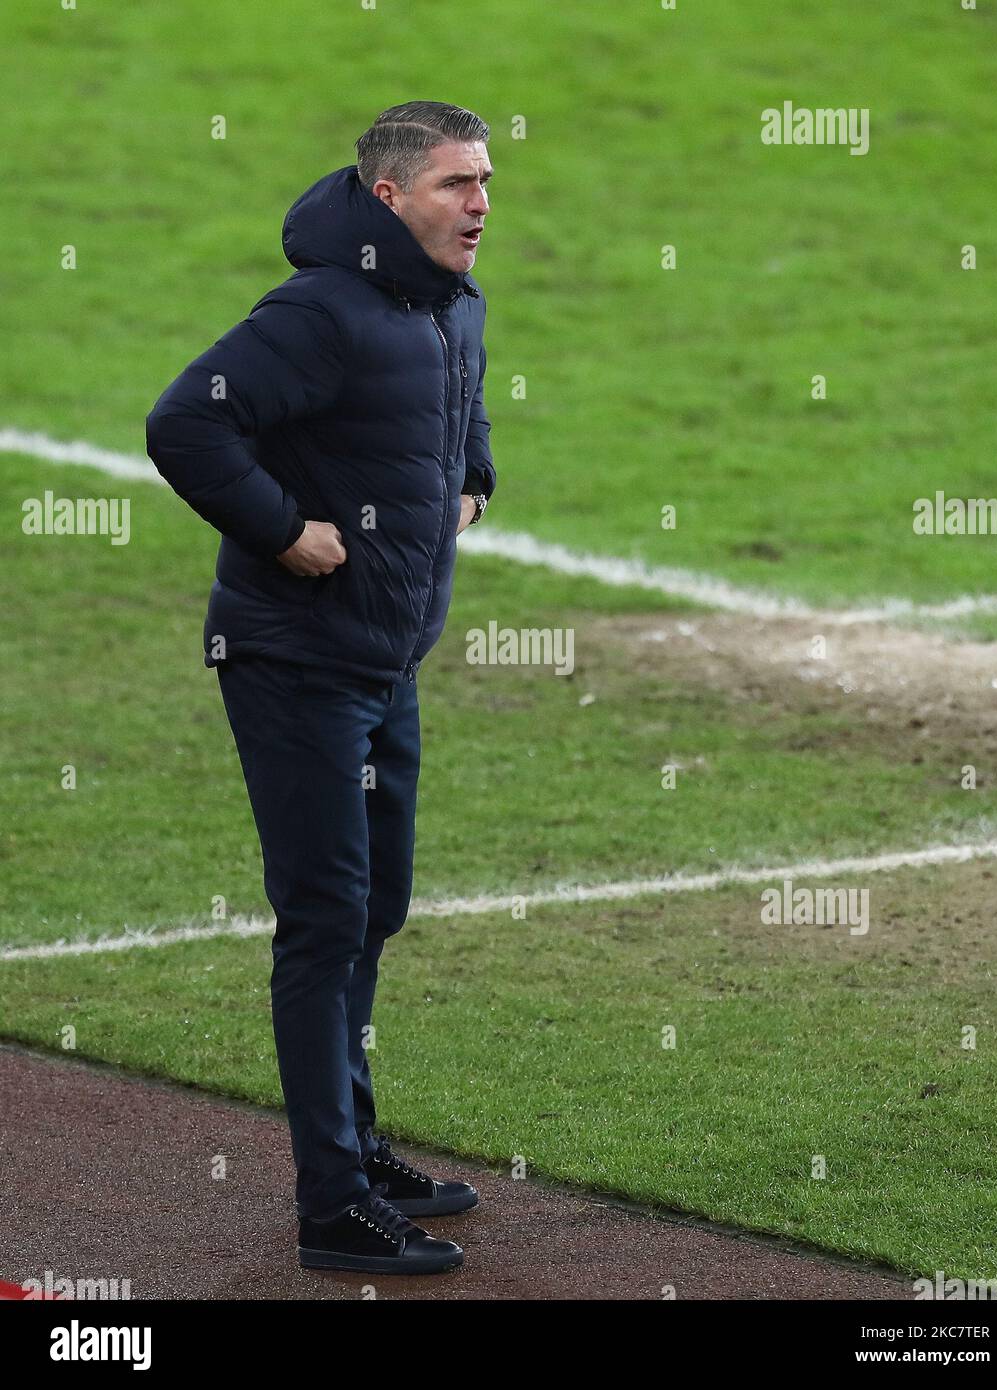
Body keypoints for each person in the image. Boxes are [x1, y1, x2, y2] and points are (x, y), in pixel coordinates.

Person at [145, 101, 496, 1275]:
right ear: (389, 197)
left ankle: (354, 1139)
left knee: (374, 906)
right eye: (455, 185)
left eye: (485, 181)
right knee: (324, 920)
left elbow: (457, 407)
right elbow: (184, 426)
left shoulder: (448, 303)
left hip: (383, 661)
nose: (481, 204)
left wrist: (478, 475)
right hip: (295, 661)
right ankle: (331, 1207)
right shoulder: (320, 310)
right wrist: (282, 529)